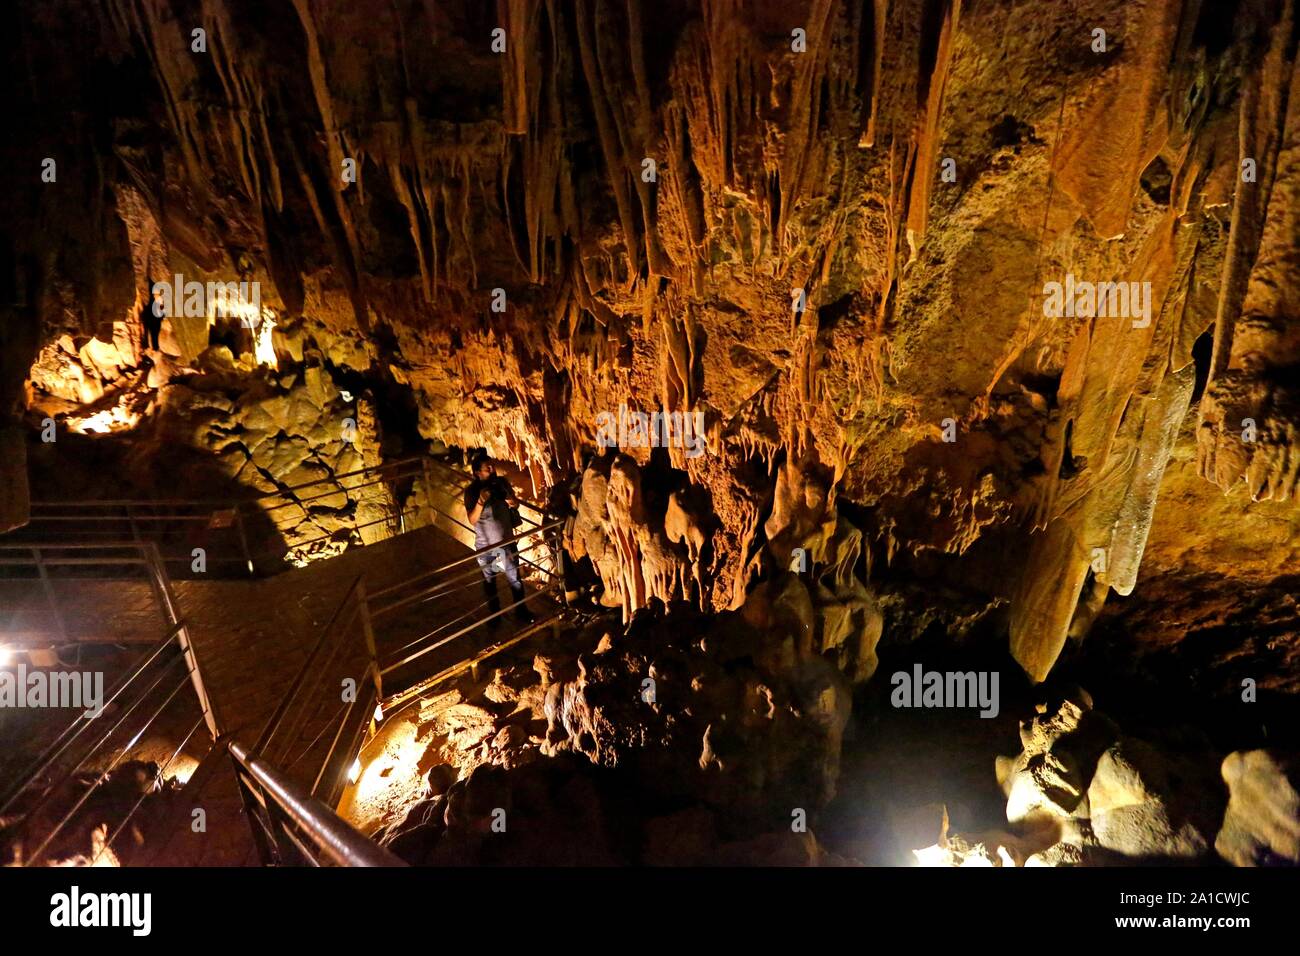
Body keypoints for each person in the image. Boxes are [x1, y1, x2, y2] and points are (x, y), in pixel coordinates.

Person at [464, 453, 534, 624]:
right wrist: (480, 502)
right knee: (490, 580)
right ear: (477, 473)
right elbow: (472, 520)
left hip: (505, 542)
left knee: (514, 578)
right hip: (485, 546)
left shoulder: (501, 483)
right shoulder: (472, 491)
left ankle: (521, 610)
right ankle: (495, 615)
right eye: (487, 468)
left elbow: (515, 504)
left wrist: (510, 498)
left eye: (492, 466)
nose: (492, 469)